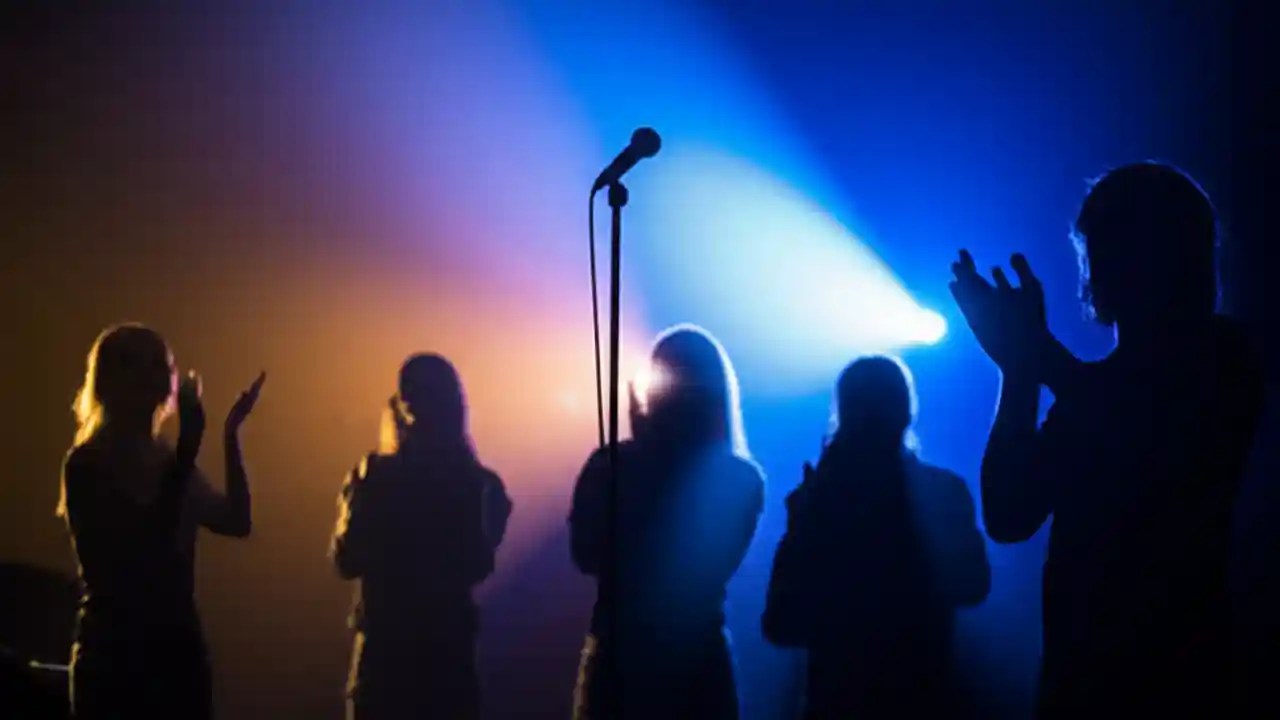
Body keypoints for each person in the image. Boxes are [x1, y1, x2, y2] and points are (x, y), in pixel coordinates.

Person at [949, 162, 1265, 717]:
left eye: (1110, 246)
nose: (1098, 266)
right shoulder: (1094, 388)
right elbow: (1009, 514)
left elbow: (1141, 431)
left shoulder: (1225, 358)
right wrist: (1019, 372)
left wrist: (1032, 354)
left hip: (1178, 684)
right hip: (1085, 685)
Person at [762, 355, 990, 719]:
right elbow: (974, 587)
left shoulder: (821, 501)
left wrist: (806, 524)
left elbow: (781, 624)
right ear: (906, 411)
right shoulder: (944, 491)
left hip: (840, 700)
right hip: (924, 697)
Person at [58, 323, 265, 719]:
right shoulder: (87, 465)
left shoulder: (165, 459)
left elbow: (236, 521)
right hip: (118, 659)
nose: (160, 376)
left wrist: (230, 435)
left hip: (176, 651)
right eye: (145, 365)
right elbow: (141, 553)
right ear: (112, 379)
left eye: (162, 364)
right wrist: (188, 450)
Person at [568, 324, 765, 720]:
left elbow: (587, 554)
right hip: (696, 661)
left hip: (625, 658)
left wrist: (640, 463)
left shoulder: (612, 464)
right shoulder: (742, 479)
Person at [332, 353, 512, 720]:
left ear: (402, 406)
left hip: (386, 660)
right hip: (447, 659)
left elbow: (346, 560)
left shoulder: (375, 478)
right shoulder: (483, 486)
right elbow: (479, 564)